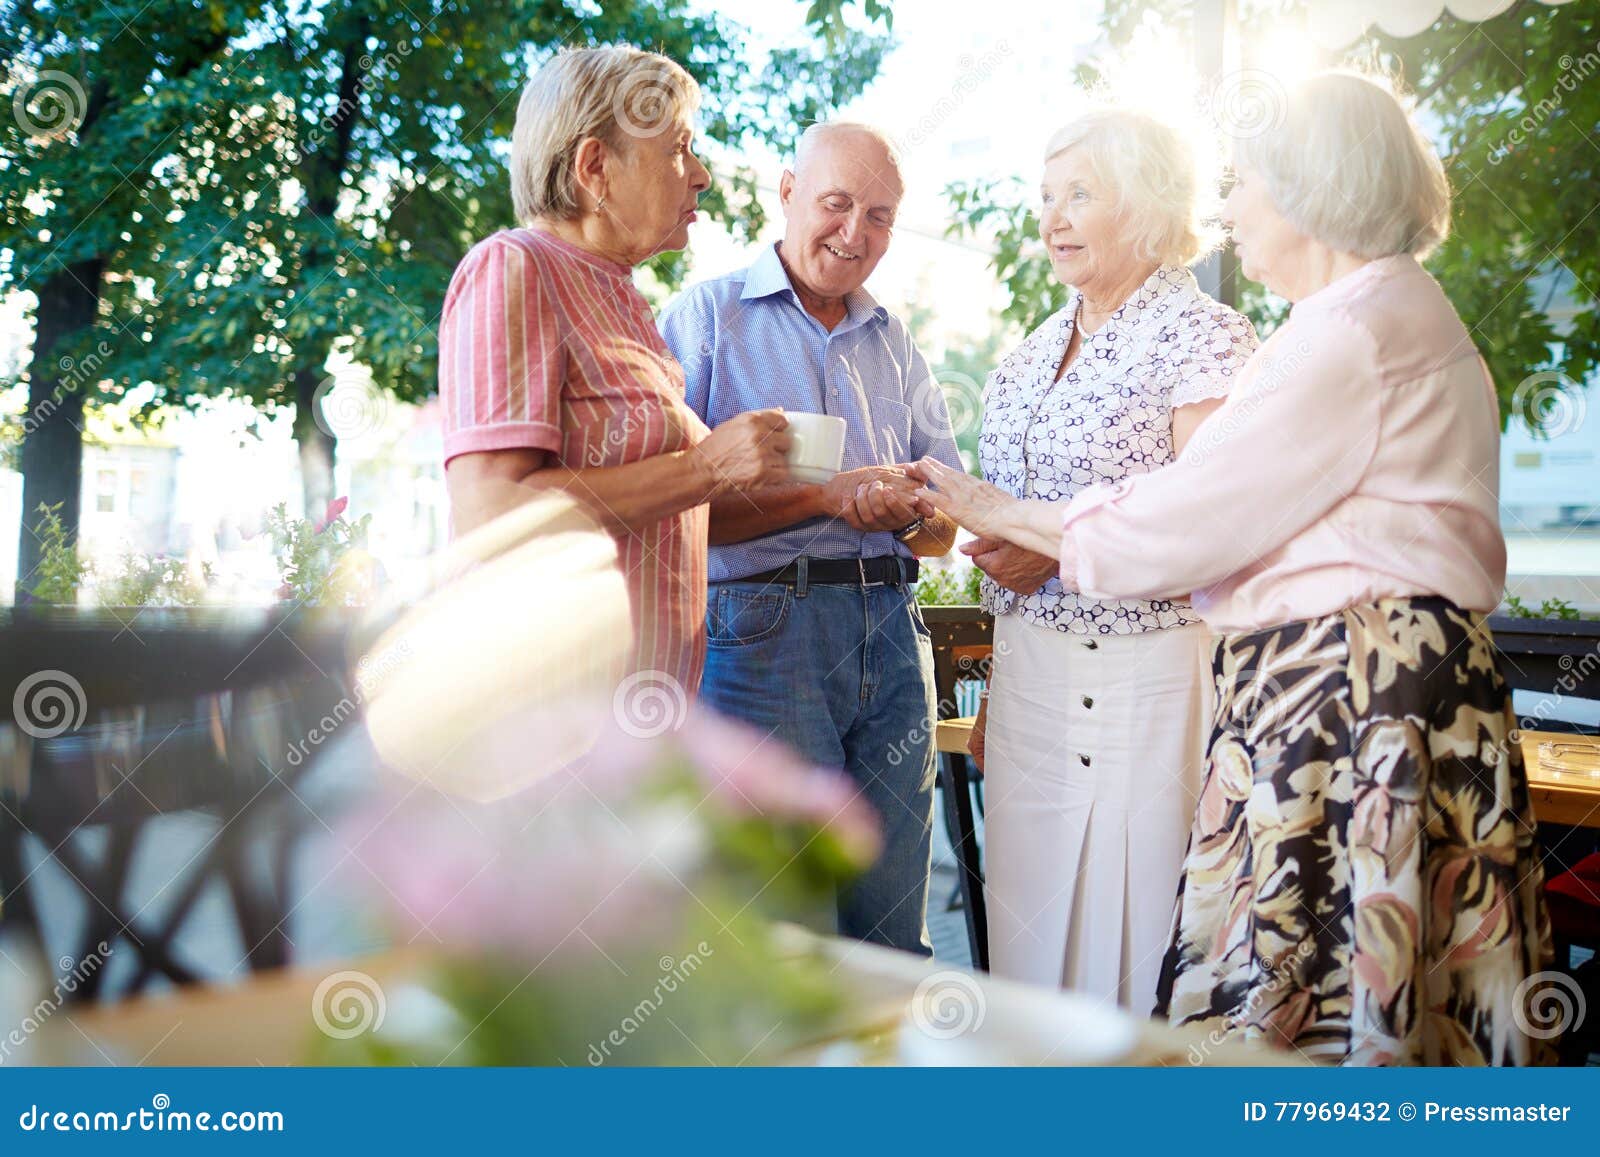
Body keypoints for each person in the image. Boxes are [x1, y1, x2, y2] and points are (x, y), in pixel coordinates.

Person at [908, 72, 1553, 1065]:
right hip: (1358, 693)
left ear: (1311, 186)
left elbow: (1181, 520)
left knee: (1318, 1004)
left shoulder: (1347, 333)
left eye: (1245, 181)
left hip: (1356, 700)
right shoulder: (1367, 316)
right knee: (1374, 999)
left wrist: (994, 510)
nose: (1227, 209)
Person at [966, 109, 1256, 1006]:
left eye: (1080, 194)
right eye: (1046, 195)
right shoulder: (1023, 359)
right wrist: (989, 678)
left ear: (1148, 203)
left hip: (1145, 683)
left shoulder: (1207, 338)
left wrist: (1053, 558)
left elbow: (1212, 529)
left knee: (1136, 939)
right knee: (1027, 938)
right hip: (1026, 686)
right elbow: (1008, 538)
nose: (1052, 217)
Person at [659, 122, 962, 955]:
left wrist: (906, 512)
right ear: (786, 192)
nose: (855, 233)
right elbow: (673, 510)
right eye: (836, 204)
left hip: (894, 639)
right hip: (762, 633)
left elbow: (942, 527)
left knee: (894, 930)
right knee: (783, 932)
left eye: (880, 215)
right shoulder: (704, 319)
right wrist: (826, 499)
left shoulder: (895, 342)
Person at [438, 46, 792, 694]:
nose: (702, 175)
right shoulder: (516, 267)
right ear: (595, 167)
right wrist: (705, 465)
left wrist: (831, 495)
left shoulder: (621, 297)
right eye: (679, 148)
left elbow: (675, 508)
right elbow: (493, 514)